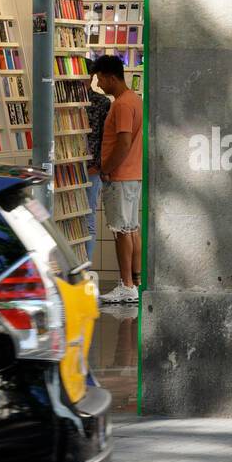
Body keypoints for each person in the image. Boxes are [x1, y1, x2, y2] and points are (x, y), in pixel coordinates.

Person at [93, 54, 143, 304]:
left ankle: (126, 286)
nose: (98, 84)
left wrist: (106, 169)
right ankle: (135, 281)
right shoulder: (135, 100)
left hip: (120, 176)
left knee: (120, 231)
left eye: (100, 78)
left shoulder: (122, 105)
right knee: (131, 229)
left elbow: (123, 143)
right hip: (133, 175)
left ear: (111, 77)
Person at [84, 61, 112, 264]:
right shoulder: (61, 100)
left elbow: (107, 138)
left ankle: (84, 265)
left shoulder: (102, 103)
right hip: (68, 170)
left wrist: (100, 165)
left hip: (92, 169)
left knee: (88, 215)